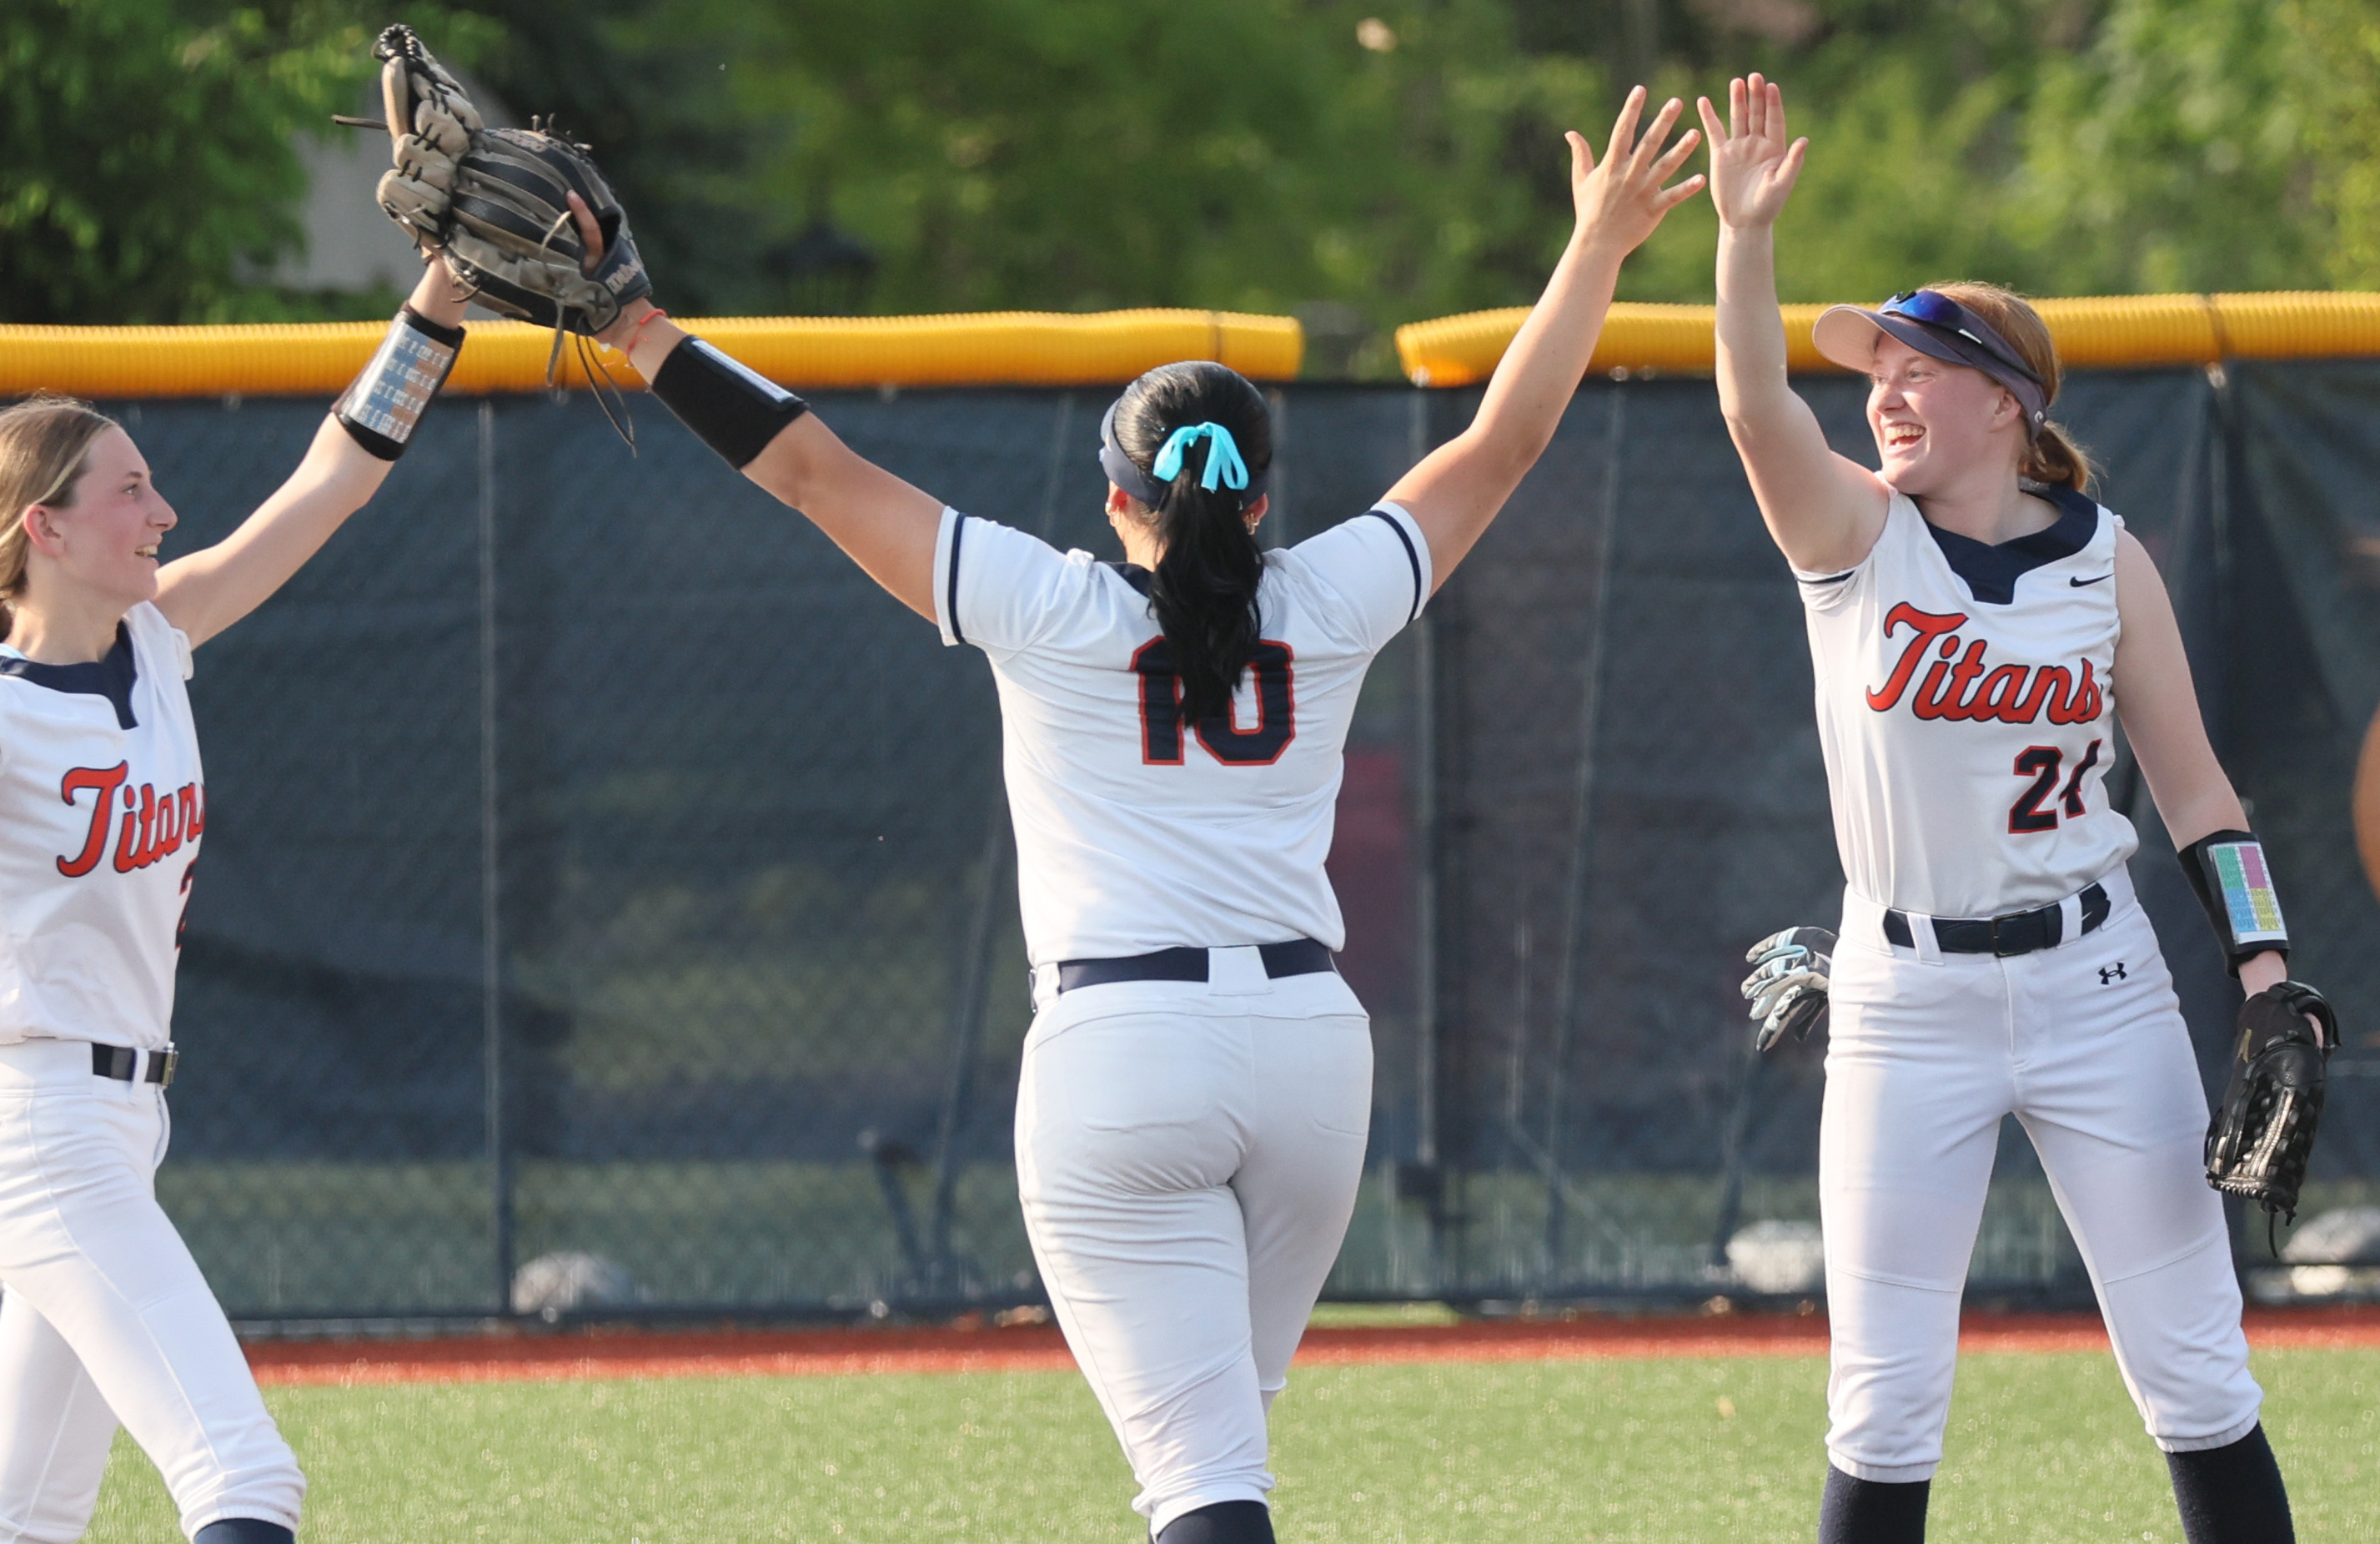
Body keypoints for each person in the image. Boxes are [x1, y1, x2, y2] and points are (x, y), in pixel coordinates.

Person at [555, 89, 1700, 1543]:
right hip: (1309, 1058)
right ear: (1266, 500)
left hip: (1124, 1058)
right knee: (1222, 1451)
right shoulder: (1330, 598)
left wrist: (643, 327)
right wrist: (1596, 247)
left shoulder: (1054, 606)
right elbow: (1506, 440)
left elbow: (808, 471)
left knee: (1207, 1483)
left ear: (1115, 499)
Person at [1705, 73, 2314, 1544]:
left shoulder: (2111, 562)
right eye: (1876, 372)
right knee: (1885, 1401)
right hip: (1903, 998)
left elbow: (2198, 792)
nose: (1887, 392)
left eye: (1918, 368)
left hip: (2100, 988)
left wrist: (2271, 980)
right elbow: (1747, 401)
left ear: (2005, 401)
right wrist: (1742, 241)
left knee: (2198, 1376)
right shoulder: (1858, 540)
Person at [0, 256, 476, 1544]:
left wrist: (431, 312)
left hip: (121, 1122)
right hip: (38, 1128)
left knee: (22, 1520)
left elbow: (333, 481)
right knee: (247, 1480)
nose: (163, 510)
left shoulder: (159, 641)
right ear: (43, 529)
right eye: (131, 489)